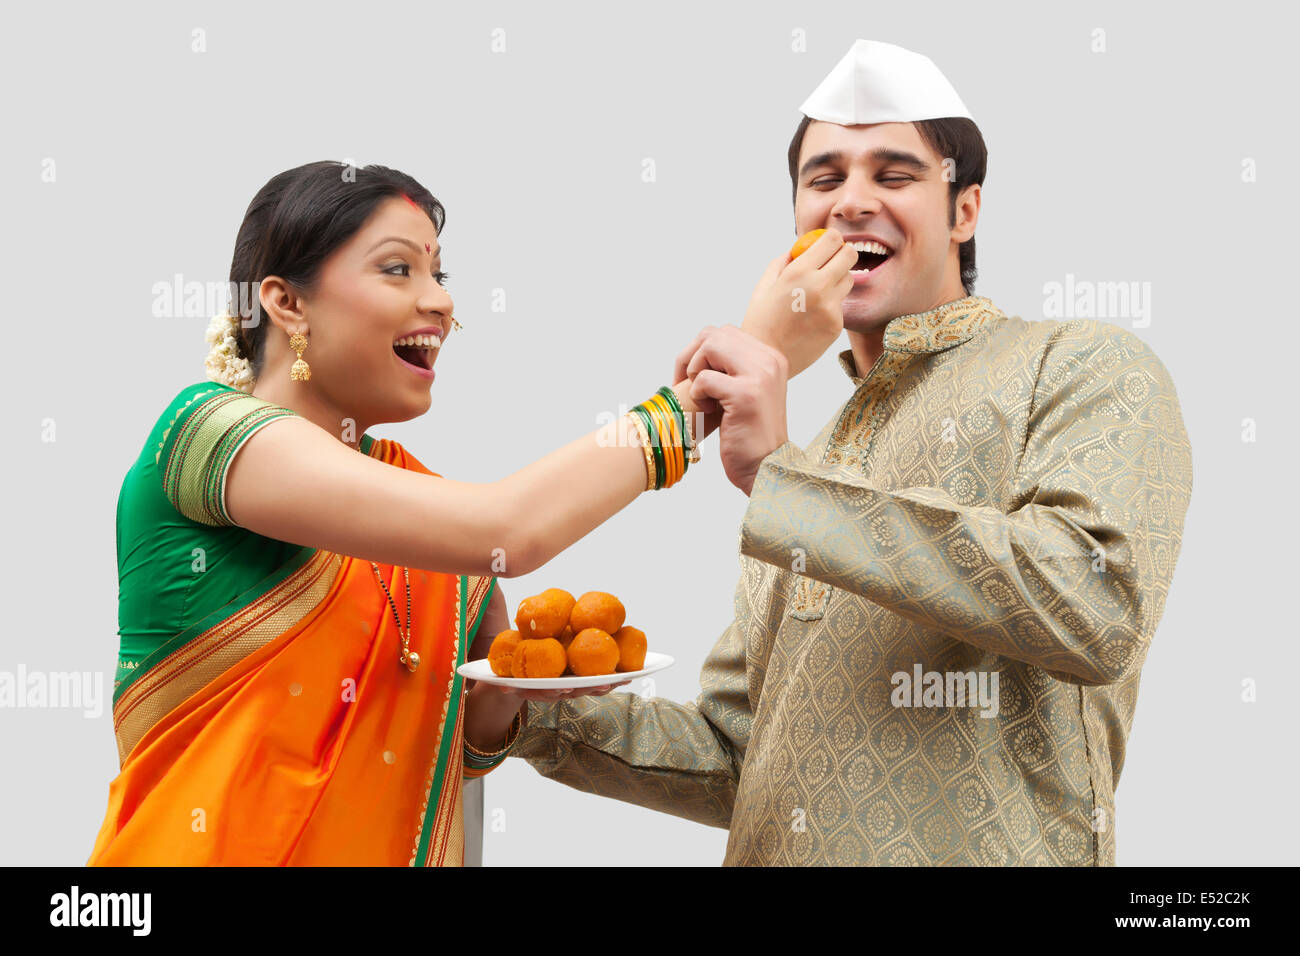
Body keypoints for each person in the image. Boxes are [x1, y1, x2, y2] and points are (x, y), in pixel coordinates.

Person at [514, 39, 1195, 865]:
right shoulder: (816, 452)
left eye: (895, 175)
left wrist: (783, 482)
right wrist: (526, 715)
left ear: (965, 210)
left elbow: (1098, 608)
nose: (851, 202)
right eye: (826, 178)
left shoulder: (1081, 362)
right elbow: (739, 757)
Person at [86, 161, 857, 866]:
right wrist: (739, 369)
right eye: (398, 268)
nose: (443, 301)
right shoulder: (205, 431)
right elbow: (506, 532)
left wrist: (507, 701)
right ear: (285, 302)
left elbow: (463, 744)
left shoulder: (414, 497)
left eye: (438, 271)